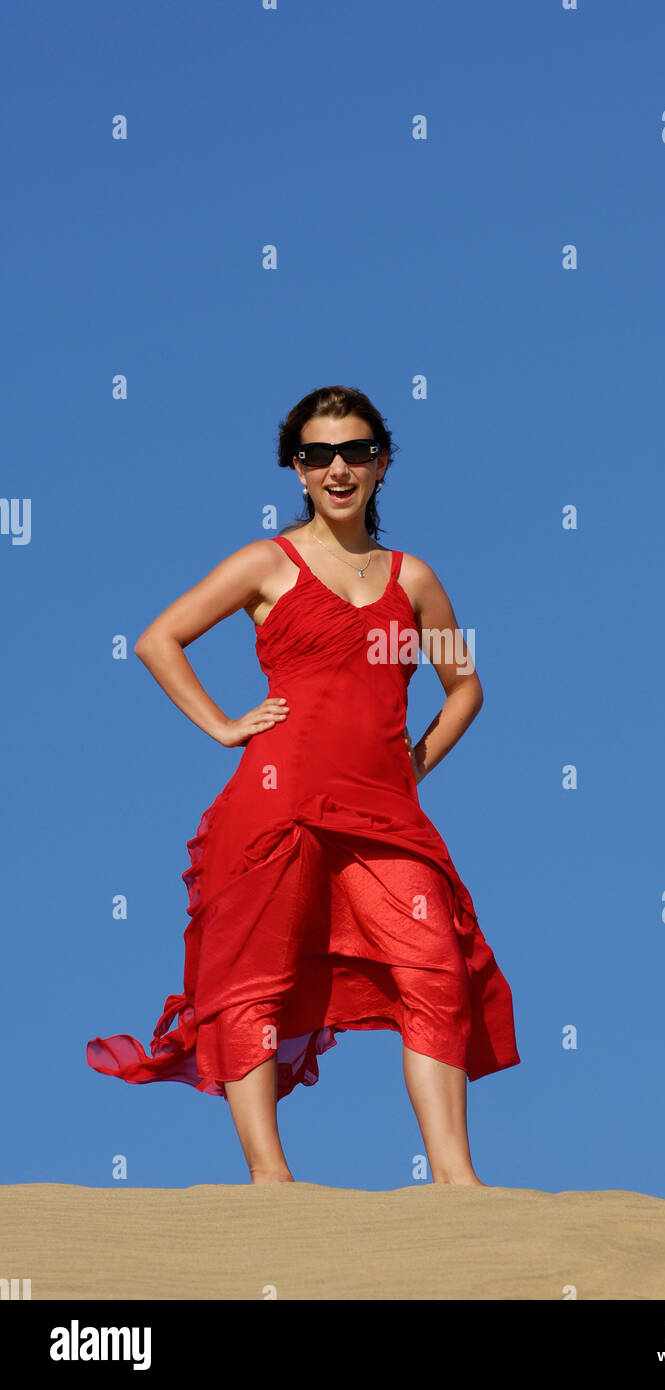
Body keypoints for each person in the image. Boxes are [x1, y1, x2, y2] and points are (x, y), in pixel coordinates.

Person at [86, 384, 520, 1186]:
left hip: (385, 812)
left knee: (436, 970)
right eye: (318, 455)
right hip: (276, 803)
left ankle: (458, 1184)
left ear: (382, 463)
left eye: (356, 451)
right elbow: (158, 640)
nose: (338, 468)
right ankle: (270, 1182)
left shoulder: (412, 579)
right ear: (297, 469)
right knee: (252, 978)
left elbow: (465, 686)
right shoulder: (267, 564)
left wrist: (415, 762)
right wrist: (222, 725)